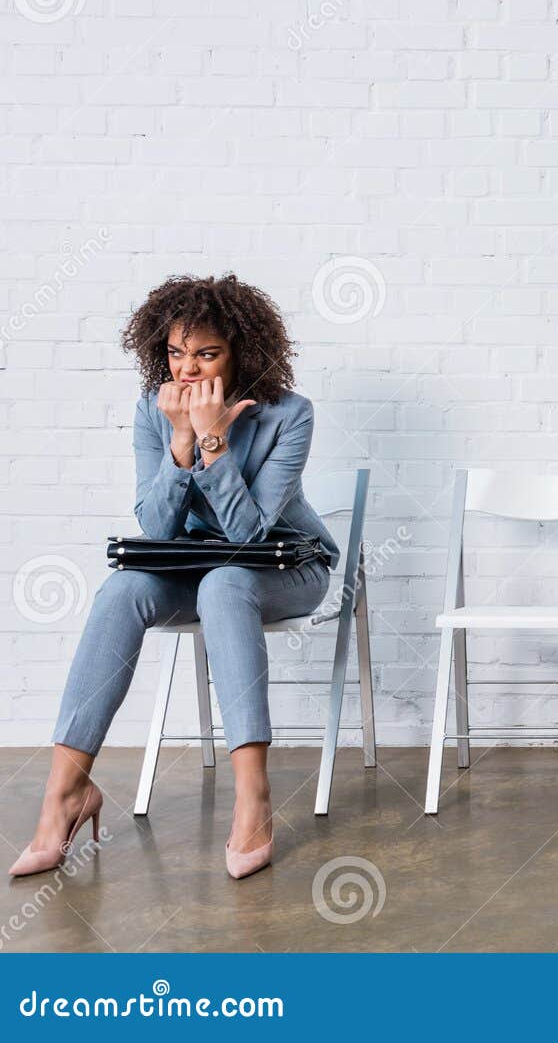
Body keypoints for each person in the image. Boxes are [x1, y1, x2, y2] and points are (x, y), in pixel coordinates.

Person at [11, 274, 337, 880]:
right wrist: (181, 441)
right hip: (192, 564)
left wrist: (214, 441)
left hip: (286, 565)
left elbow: (247, 536)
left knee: (225, 582)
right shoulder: (151, 412)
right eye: (175, 353)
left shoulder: (288, 414)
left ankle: (253, 797)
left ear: (243, 351)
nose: (187, 370)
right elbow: (157, 527)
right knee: (121, 589)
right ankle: (67, 794)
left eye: (206, 354)